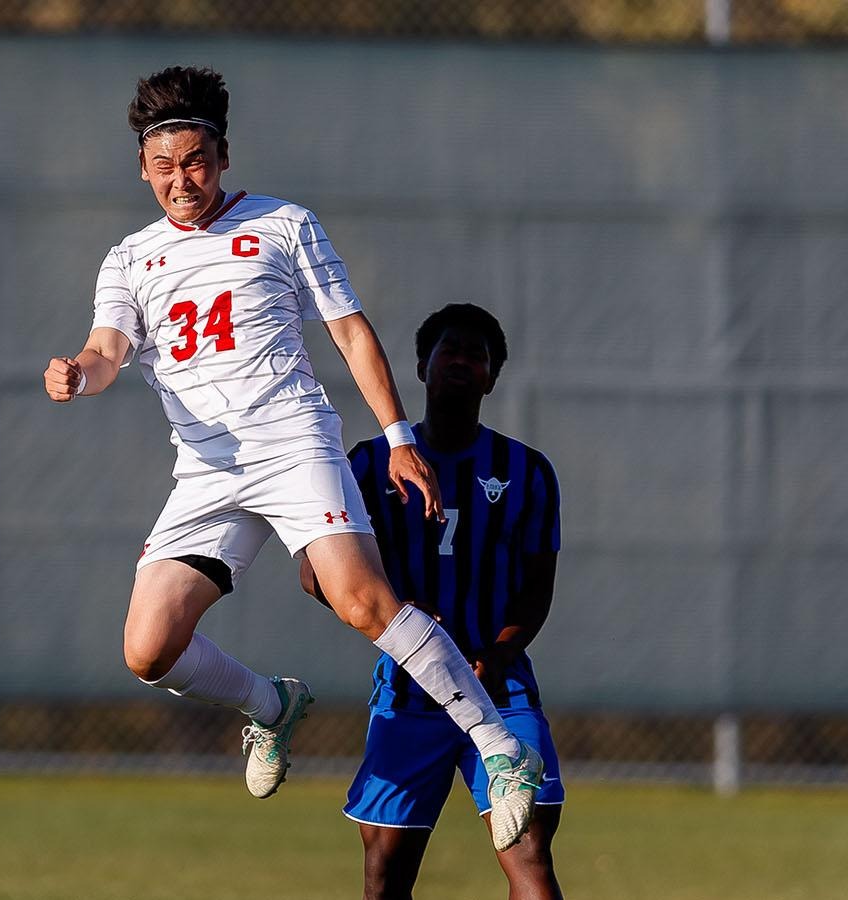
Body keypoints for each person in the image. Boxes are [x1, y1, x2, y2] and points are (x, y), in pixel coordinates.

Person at [42, 66, 542, 850]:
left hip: (294, 442)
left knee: (360, 601)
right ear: (143, 167)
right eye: (165, 165)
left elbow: (348, 330)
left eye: (196, 160)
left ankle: (501, 749)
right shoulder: (129, 258)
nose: (182, 179)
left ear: (225, 154)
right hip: (206, 469)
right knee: (147, 650)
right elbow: (109, 348)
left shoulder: (283, 224)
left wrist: (400, 439)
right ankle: (270, 705)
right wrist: (80, 372)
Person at [301, 304, 566, 899]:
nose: (462, 362)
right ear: (421, 366)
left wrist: (497, 655)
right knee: (385, 871)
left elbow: (537, 587)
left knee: (530, 848)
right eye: (450, 350)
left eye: (478, 356)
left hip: (501, 686)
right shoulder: (368, 466)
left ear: (492, 377)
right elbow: (316, 575)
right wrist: (393, 617)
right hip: (407, 688)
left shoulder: (527, 471)